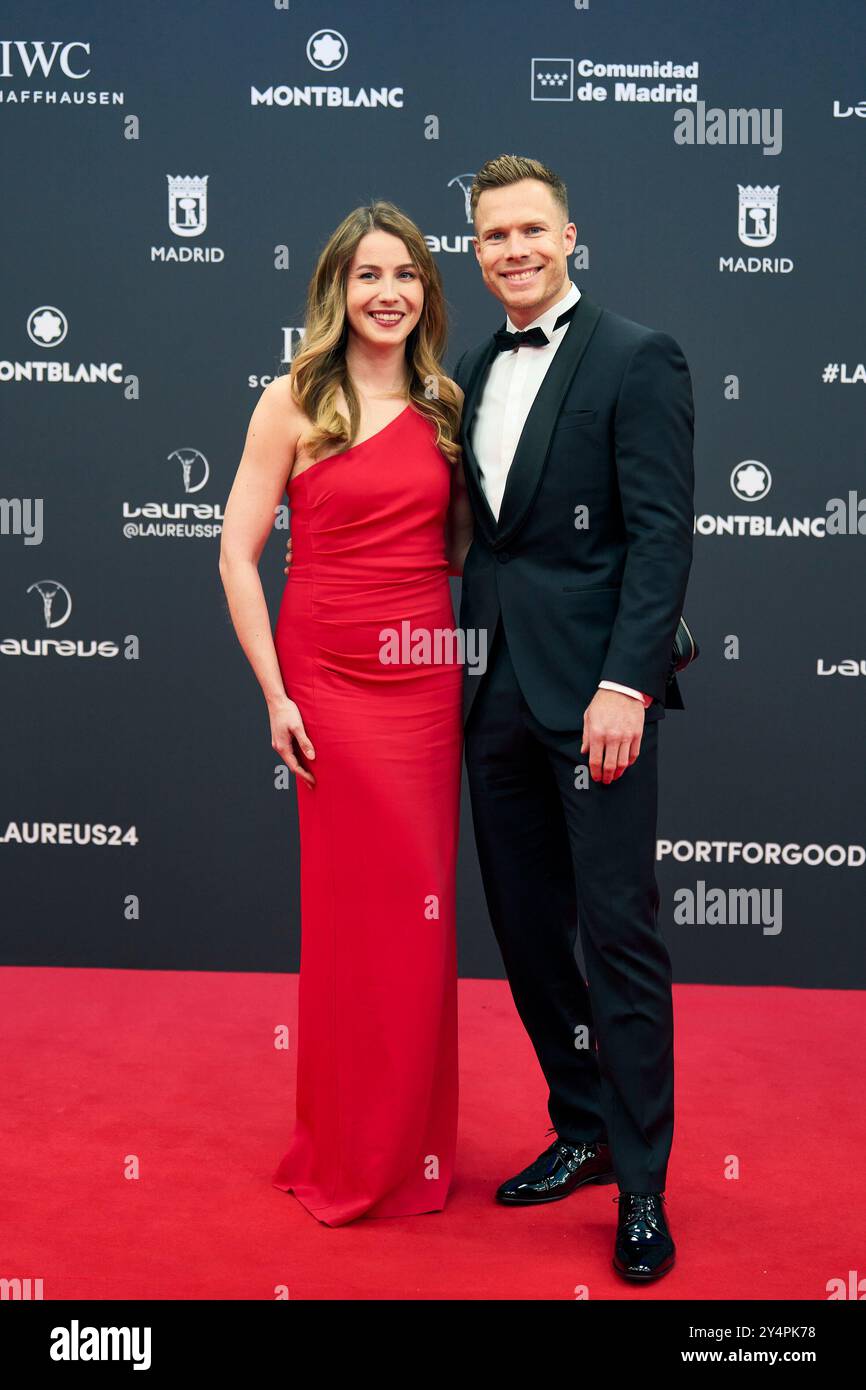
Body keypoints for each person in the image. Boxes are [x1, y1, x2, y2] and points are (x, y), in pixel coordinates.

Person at [453, 155, 695, 1281]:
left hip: (595, 696)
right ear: (476, 247)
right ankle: (583, 1122)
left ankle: (642, 1188)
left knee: (618, 937)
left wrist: (625, 683)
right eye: (492, 234)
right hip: (490, 690)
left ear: (568, 236)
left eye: (530, 231)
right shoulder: (469, 364)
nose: (512, 249)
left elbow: (658, 537)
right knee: (523, 928)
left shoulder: (636, 355)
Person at [219, 202, 469, 1225]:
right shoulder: (293, 398)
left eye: (405, 275)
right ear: (336, 287)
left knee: (419, 918)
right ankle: (340, 1141)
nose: (387, 293)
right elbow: (235, 553)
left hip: (423, 678)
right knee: (345, 920)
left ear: (425, 292)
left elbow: (457, 549)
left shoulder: (447, 401)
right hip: (324, 679)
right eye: (368, 275)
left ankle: (410, 1146)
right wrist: (276, 691)